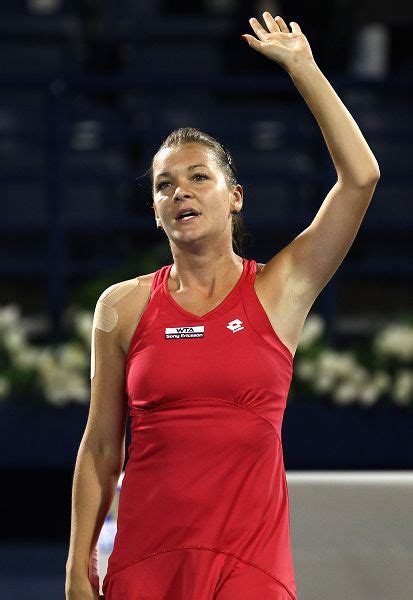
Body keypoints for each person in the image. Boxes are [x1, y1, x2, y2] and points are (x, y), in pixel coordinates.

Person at [65, 12, 380, 600]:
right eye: (164, 185)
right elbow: (102, 446)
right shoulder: (122, 306)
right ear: (155, 211)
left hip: (249, 568)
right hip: (146, 566)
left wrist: (304, 69)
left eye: (197, 177)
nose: (179, 190)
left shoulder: (280, 289)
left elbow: (360, 178)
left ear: (234, 197)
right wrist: (78, 563)